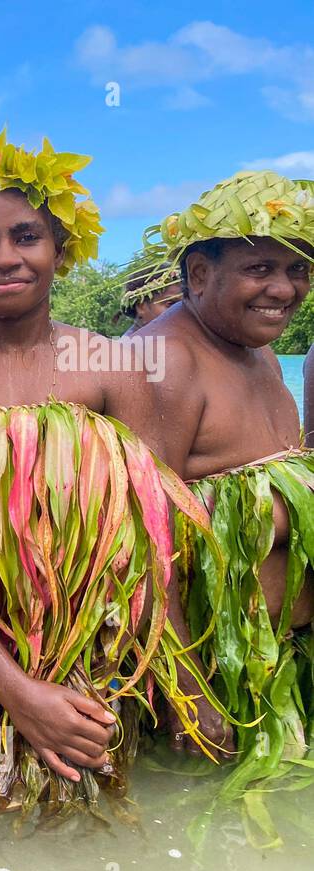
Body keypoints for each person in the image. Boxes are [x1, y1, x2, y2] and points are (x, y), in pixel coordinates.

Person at [0, 133, 224, 821]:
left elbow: (154, 535)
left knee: (97, 828)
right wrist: (15, 690)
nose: (5, 257)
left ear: (60, 248)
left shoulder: (113, 366)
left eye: (26, 236)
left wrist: (188, 682)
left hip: (95, 665)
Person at [126, 170, 314, 836]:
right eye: (261, 267)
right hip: (209, 679)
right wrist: (188, 688)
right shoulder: (163, 363)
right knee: (200, 838)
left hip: (271, 672)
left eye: (297, 269)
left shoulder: (257, 353)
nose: (286, 288)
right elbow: (138, 542)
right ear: (198, 273)